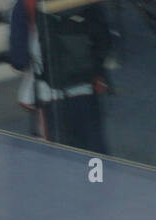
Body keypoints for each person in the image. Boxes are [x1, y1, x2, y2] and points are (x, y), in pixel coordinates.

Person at [7, 0, 112, 153]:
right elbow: (105, 43)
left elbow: (19, 59)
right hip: (87, 89)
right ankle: (97, 177)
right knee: (95, 152)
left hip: (50, 97)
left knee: (56, 158)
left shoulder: (25, 5)